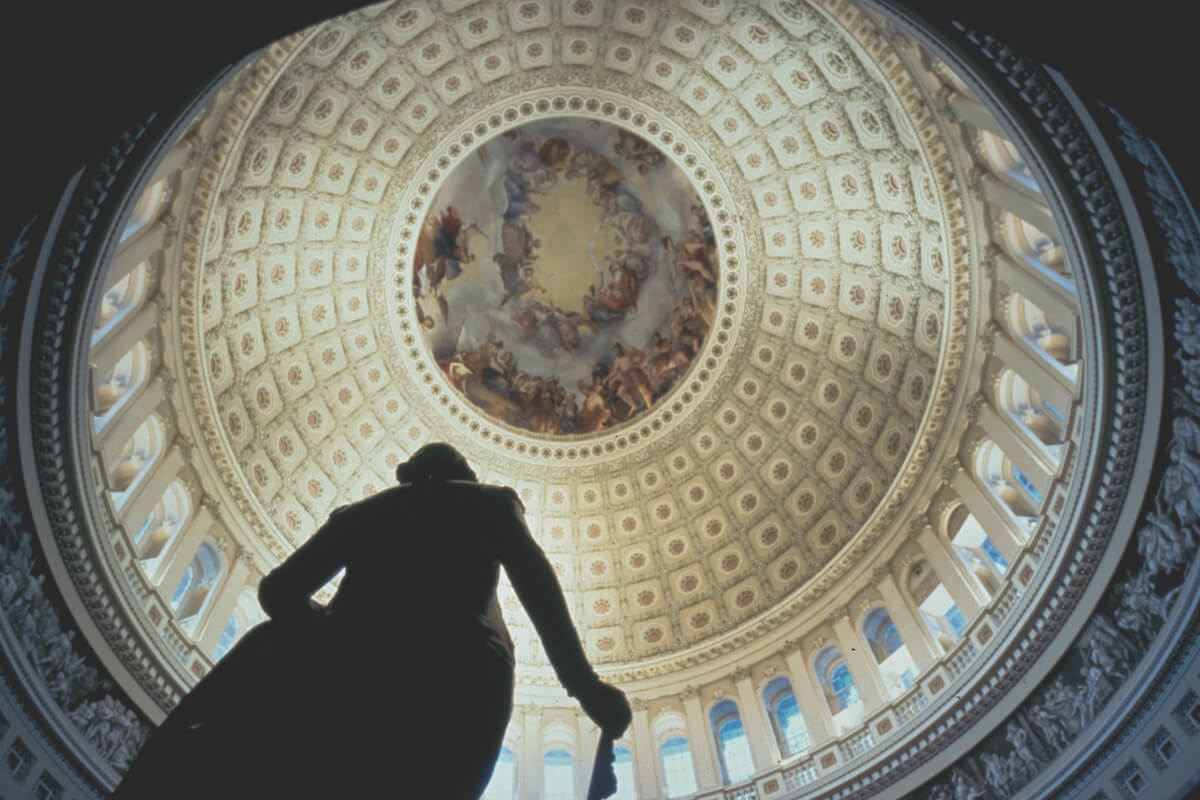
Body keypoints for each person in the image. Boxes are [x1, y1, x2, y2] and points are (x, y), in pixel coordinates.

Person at [114, 442, 632, 798]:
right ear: (463, 474)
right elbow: (538, 584)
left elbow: (276, 591)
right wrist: (584, 686)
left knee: (264, 645)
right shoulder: (490, 504)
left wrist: (325, 623)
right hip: (463, 692)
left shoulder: (365, 513)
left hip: (352, 676)